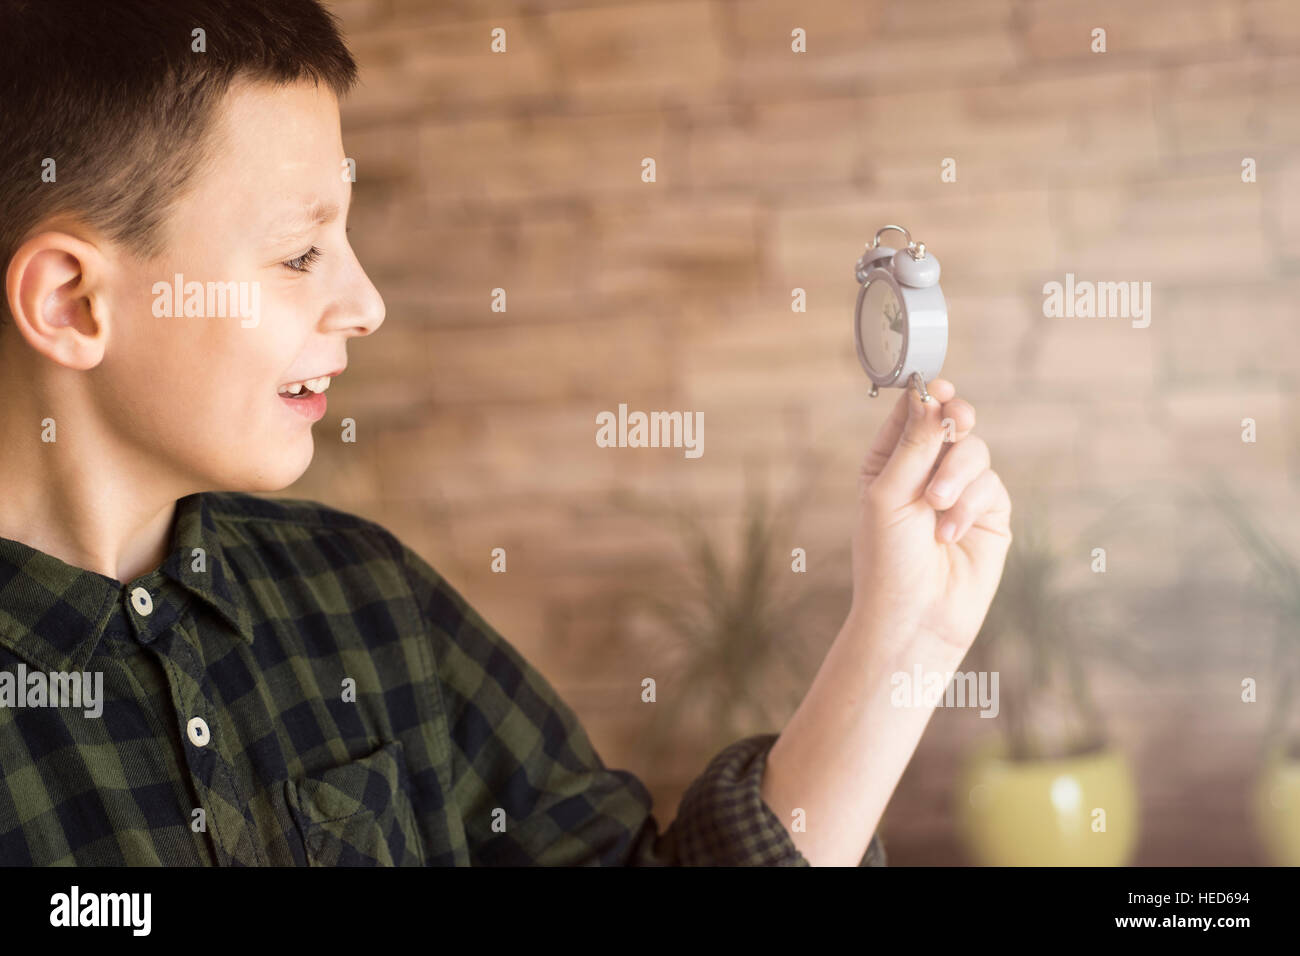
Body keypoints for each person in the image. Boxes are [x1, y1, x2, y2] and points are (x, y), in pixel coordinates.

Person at [0, 0, 1011, 866]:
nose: (365, 303)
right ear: (73, 303)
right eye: (301, 253)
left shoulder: (364, 597)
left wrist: (905, 635)